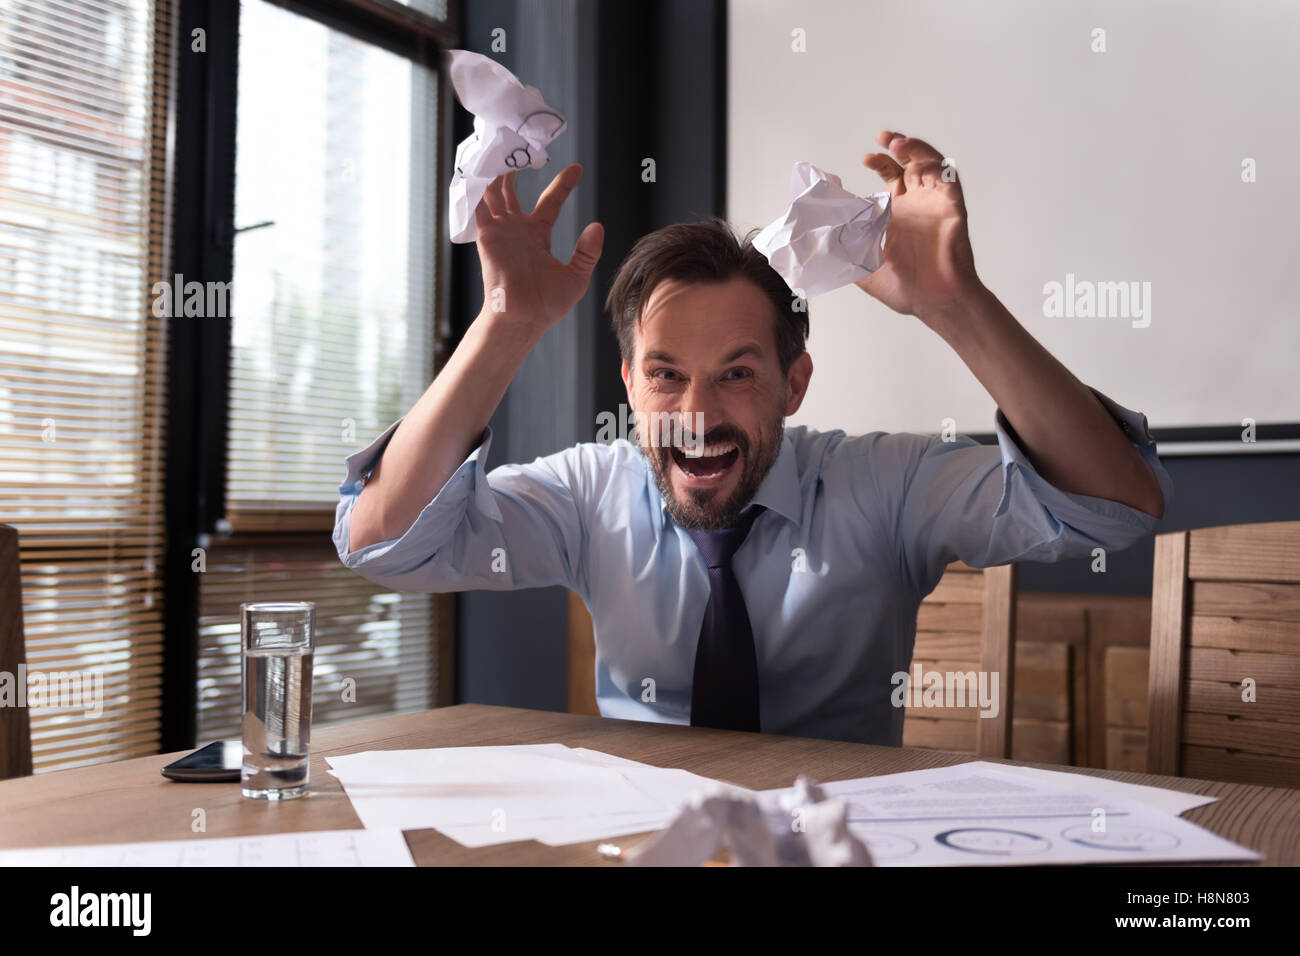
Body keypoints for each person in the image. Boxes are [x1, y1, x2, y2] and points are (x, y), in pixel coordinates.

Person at [334, 130, 1171, 746]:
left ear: (793, 386)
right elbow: (384, 544)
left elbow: (1116, 508)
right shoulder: (592, 493)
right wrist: (506, 323)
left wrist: (956, 304)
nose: (697, 409)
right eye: (665, 374)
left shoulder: (879, 485)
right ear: (628, 388)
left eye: (736, 373)